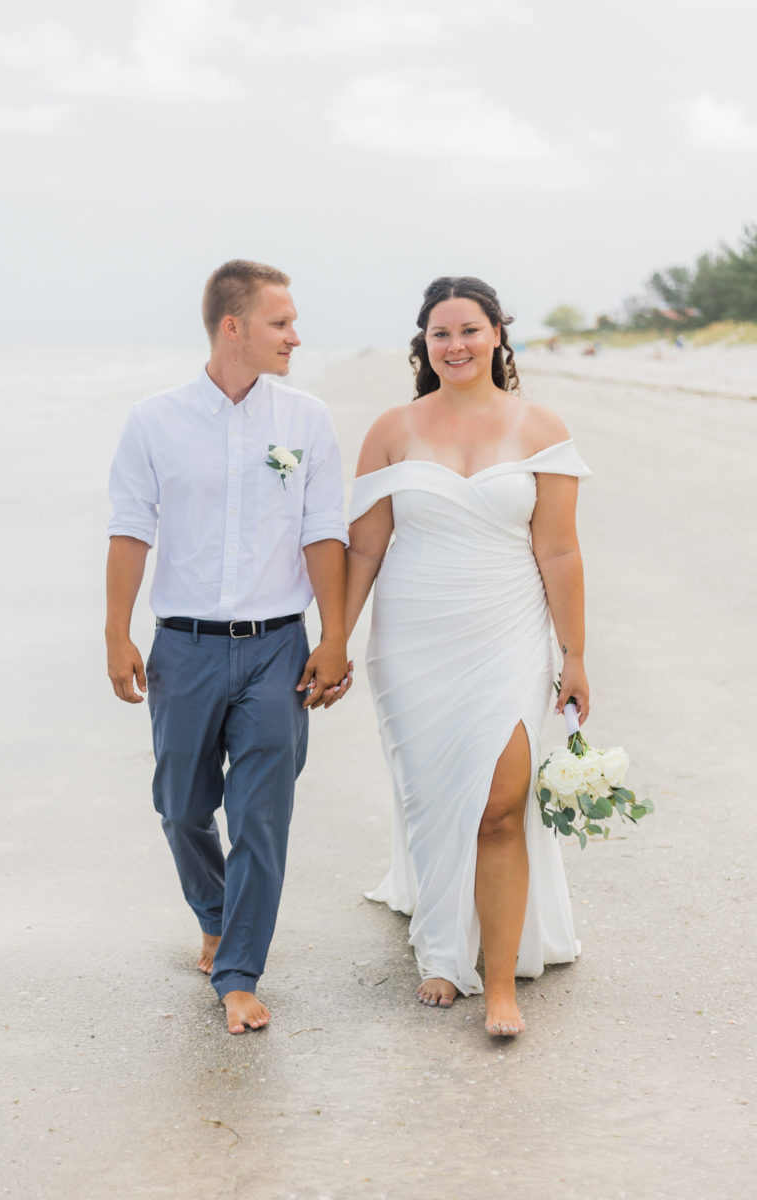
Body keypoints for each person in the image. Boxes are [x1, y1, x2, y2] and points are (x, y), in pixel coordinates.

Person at [105, 259, 349, 1035]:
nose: (295, 336)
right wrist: (117, 633)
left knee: (261, 816)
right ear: (232, 326)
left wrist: (336, 636)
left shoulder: (306, 420)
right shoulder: (153, 420)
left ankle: (238, 971)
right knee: (181, 808)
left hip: (280, 647)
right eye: (282, 323)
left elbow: (324, 533)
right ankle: (213, 912)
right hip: (184, 646)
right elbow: (131, 528)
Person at [343, 276, 590, 1037]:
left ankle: (501, 985)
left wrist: (573, 655)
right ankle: (442, 953)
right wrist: (333, 641)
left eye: (469, 330)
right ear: (424, 343)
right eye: (441, 333)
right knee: (431, 799)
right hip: (413, 640)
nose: (455, 345)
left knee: (499, 807)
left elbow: (559, 550)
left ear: (497, 336)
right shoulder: (392, 428)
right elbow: (366, 549)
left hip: (508, 633)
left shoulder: (540, 425)